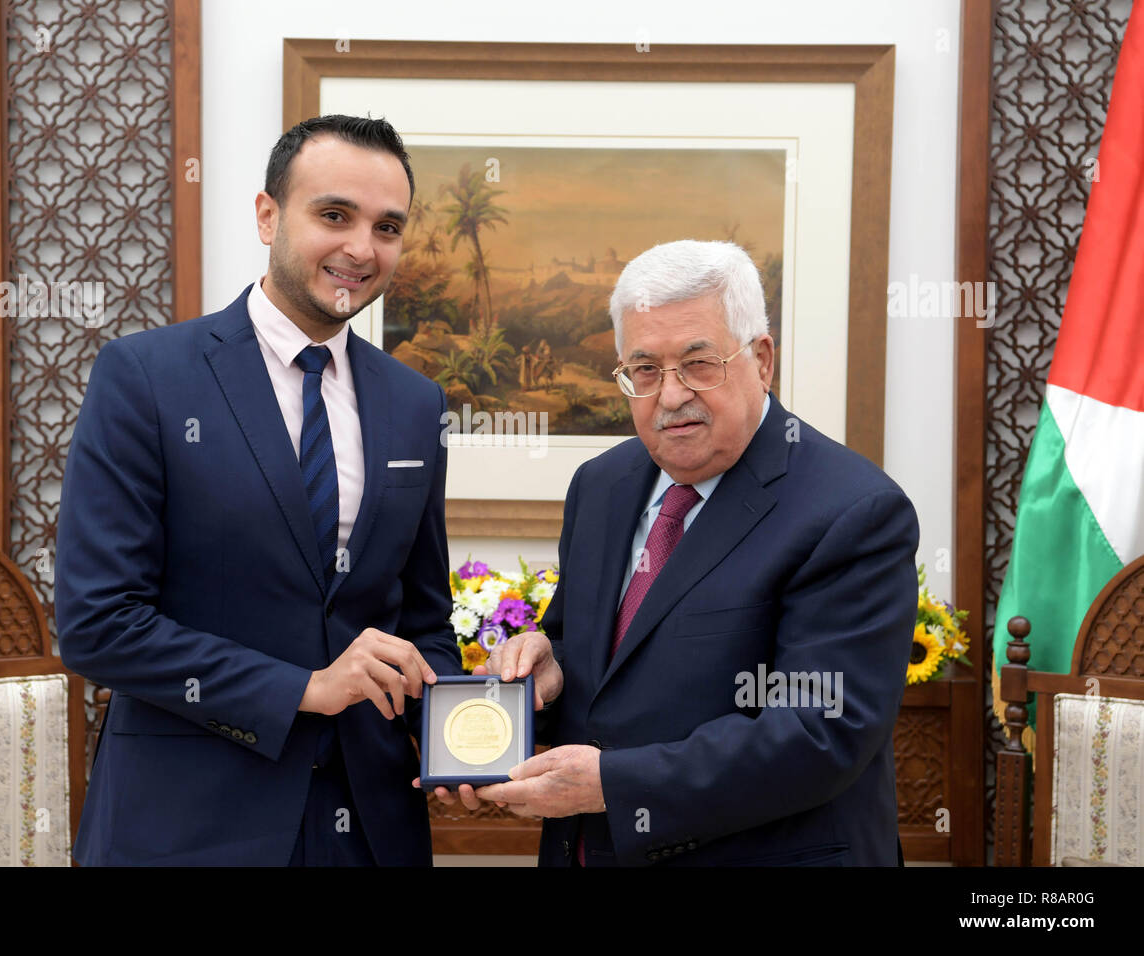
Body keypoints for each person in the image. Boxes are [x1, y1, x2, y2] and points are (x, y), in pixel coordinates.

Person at [430, 239, 918, 866]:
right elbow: (590, 661)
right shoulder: (602, 486)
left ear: (762, 360)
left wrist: (612, 785)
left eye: (698, 363)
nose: (669, 395)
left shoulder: (854, 511)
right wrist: (540, 677)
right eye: (644, 369)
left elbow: (817, 734)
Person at [57, 115, 461, 866]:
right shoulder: (144, 378)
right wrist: (303, 689)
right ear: (268, 215)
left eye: (388, 227)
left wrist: (462, 729)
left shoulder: (416, 405)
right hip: (188, 826)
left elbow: (422, 619)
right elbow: (97, 624)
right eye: (334, 215)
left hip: (370, 829)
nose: (362, 249)